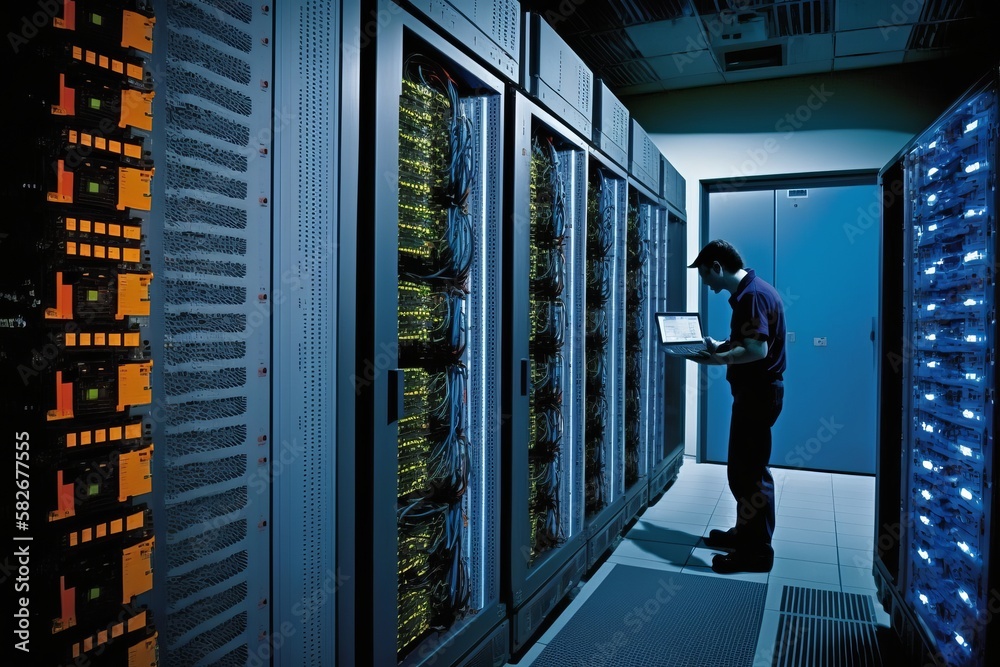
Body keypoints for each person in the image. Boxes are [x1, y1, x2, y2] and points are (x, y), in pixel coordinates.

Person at [685, 239, 786, 574]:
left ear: (717, 267)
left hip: (757, 395)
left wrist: (716, 360)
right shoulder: (752, 291)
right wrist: (722, 346)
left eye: (704, 275)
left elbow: (757, 351)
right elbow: (748, 341)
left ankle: (756, 552)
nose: (705, 283)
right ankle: (745, 535)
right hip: (754, 394)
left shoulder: (752, 295)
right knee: (744, 472)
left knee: (750, 475)